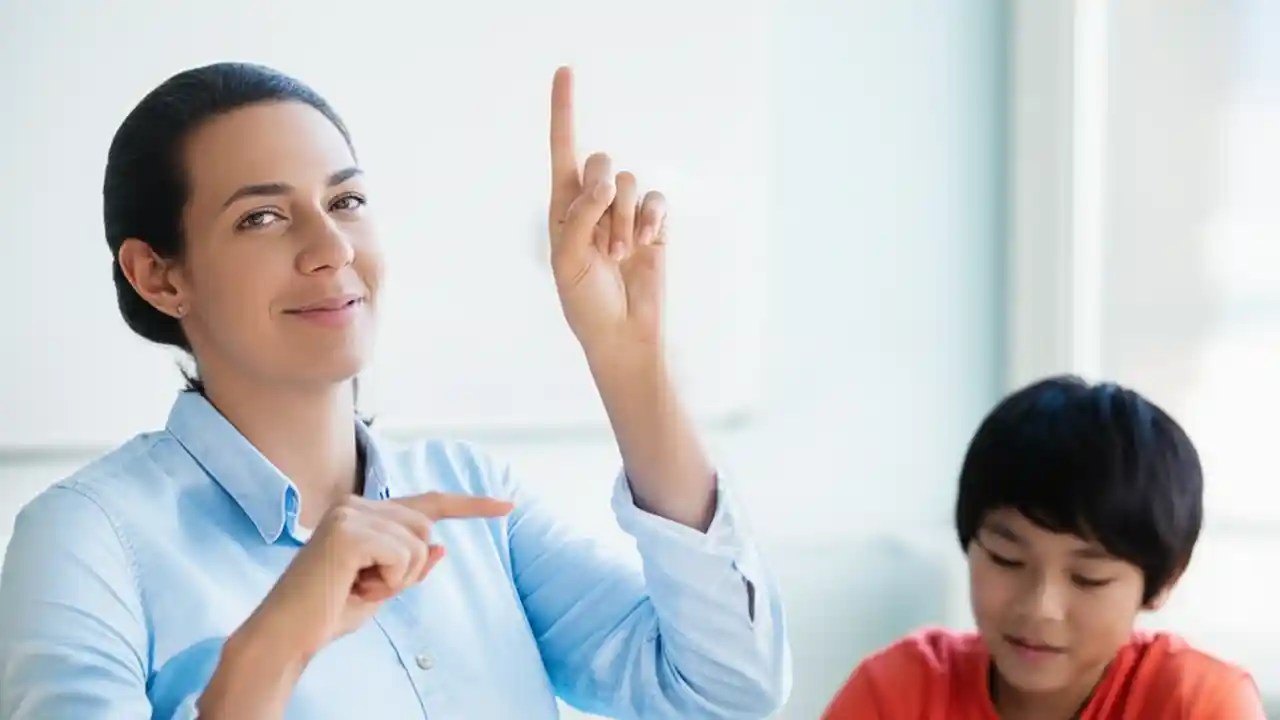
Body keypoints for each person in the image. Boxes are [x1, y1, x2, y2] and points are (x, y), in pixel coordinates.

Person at [0, 62, 790, 720]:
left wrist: (628, 359)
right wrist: (275, 644)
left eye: (345, 201)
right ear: (160, 275)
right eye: (263, 218)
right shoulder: (87, 540)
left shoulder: (476, 500)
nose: (331, 246)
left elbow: (727, 691)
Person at [822, 376, 1265, 719]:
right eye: (1006, 559)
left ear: (1162, 582)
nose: (1040, 608)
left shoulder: (1197, 705)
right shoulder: (898, 693)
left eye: (1087, 579)